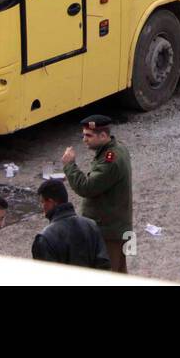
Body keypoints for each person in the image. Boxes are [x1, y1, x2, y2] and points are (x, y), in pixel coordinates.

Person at [61, 114, 132, 272]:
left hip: (109, 231)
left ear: (103, 135)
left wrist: (69, 165)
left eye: (89, 136)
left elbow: (86, 187)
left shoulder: (110, 160)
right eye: (83, 135)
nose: (84, 139)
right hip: (115, 227)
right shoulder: (116, 148)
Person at [31, 180, 110, 269]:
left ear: (51, 202)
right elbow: (104, 264)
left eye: (42, 202)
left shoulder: (45, 238)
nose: (42, 207)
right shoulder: (91, 225)